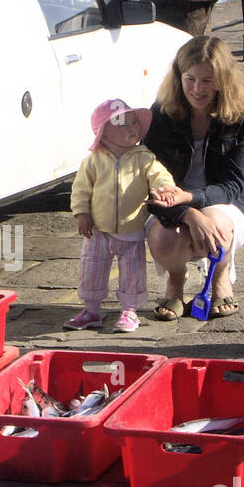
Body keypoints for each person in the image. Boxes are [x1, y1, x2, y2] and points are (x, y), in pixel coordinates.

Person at [143, 35, 244, 322]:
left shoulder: (242, 112)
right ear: (178, 77)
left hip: (222, 201)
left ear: (223, 80)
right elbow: (149, 178)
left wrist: (195, 201)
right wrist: (189, 213)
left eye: (207, 80)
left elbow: (233, 183)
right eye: (190, 79)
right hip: (170, 200)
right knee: (164, 238)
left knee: (216, 224)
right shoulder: (161, 112)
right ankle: (175, 282)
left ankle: (220, 278)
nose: (197, 89)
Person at [67, 98, 175, 333]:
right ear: (103, 132)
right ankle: (91, 309)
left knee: (132, 272)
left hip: (131, 228)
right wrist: (82, 213)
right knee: (91, 269)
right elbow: (81, 189)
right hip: (97, 230)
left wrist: (166, 187)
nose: (132, 129)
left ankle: (130, 310)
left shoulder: (144, 158)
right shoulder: (93, 161)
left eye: (134, 123)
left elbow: (160, 175)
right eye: (122, 125)